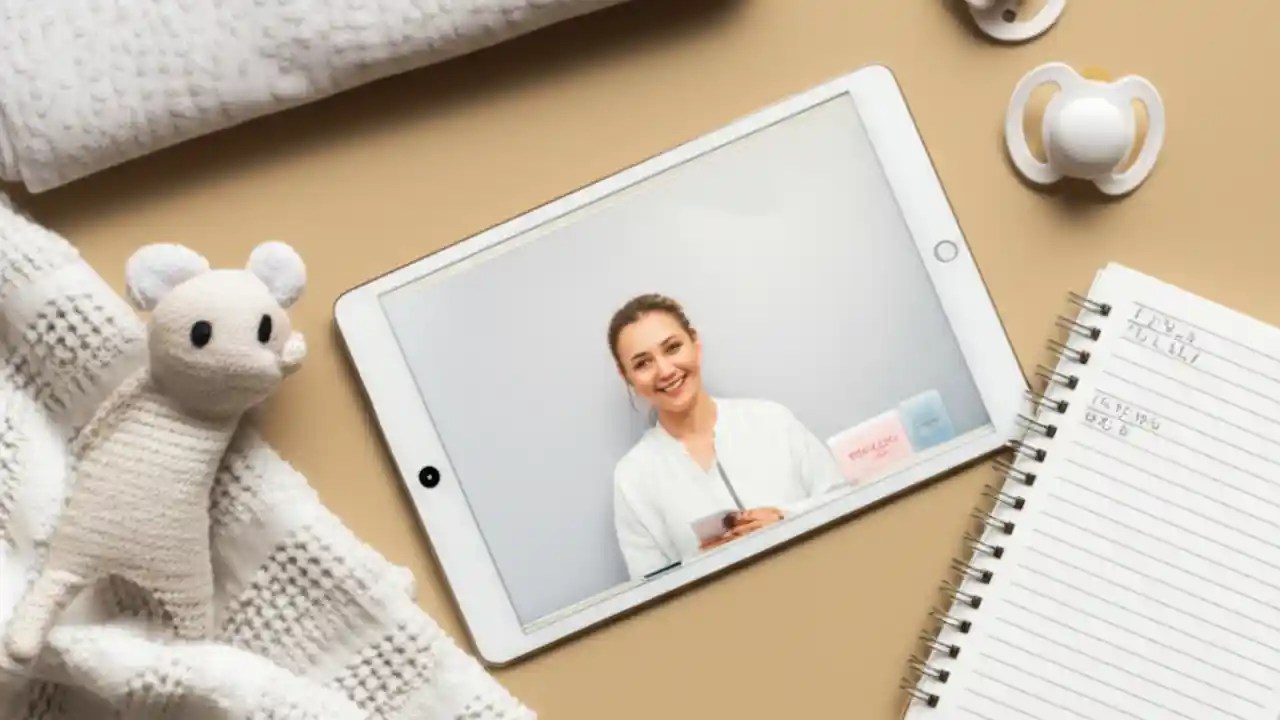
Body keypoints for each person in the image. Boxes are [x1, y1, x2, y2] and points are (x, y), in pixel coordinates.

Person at [607, 293, 849, 580]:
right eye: (643, 363)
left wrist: (784, 518)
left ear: (695, 344)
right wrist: (704, 564)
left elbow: (843, 501)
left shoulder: (772, 420)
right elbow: (649, 590)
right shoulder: (632, 478)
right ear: (627, 377)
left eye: (672, 348)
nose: (665, 370)